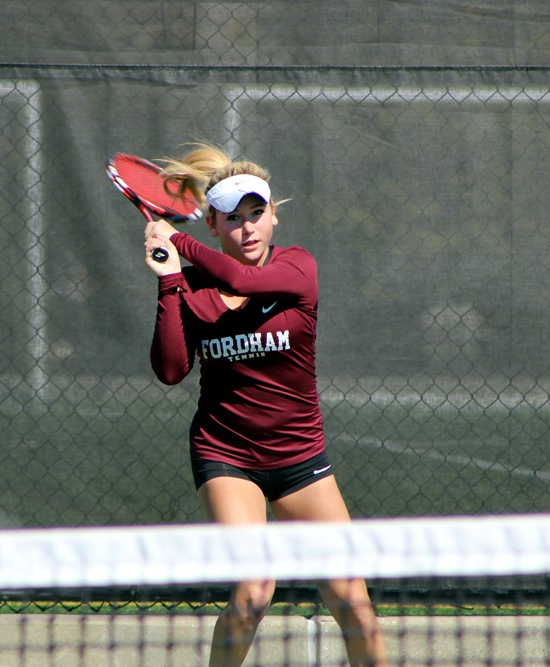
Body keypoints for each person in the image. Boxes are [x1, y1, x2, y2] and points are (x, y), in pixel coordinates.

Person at [141, 142, 388, 667]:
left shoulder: (297, 269)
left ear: (275, 216)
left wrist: (177, 239)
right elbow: (170, 371)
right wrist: (168, 282)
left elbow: (242, 279)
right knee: (252, 595)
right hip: (226, 455)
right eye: (234, 219)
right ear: (214, 225)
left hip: (301, 459)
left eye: (258, 213)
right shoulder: (193, 286)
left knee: (356, 608)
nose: (248, 228)